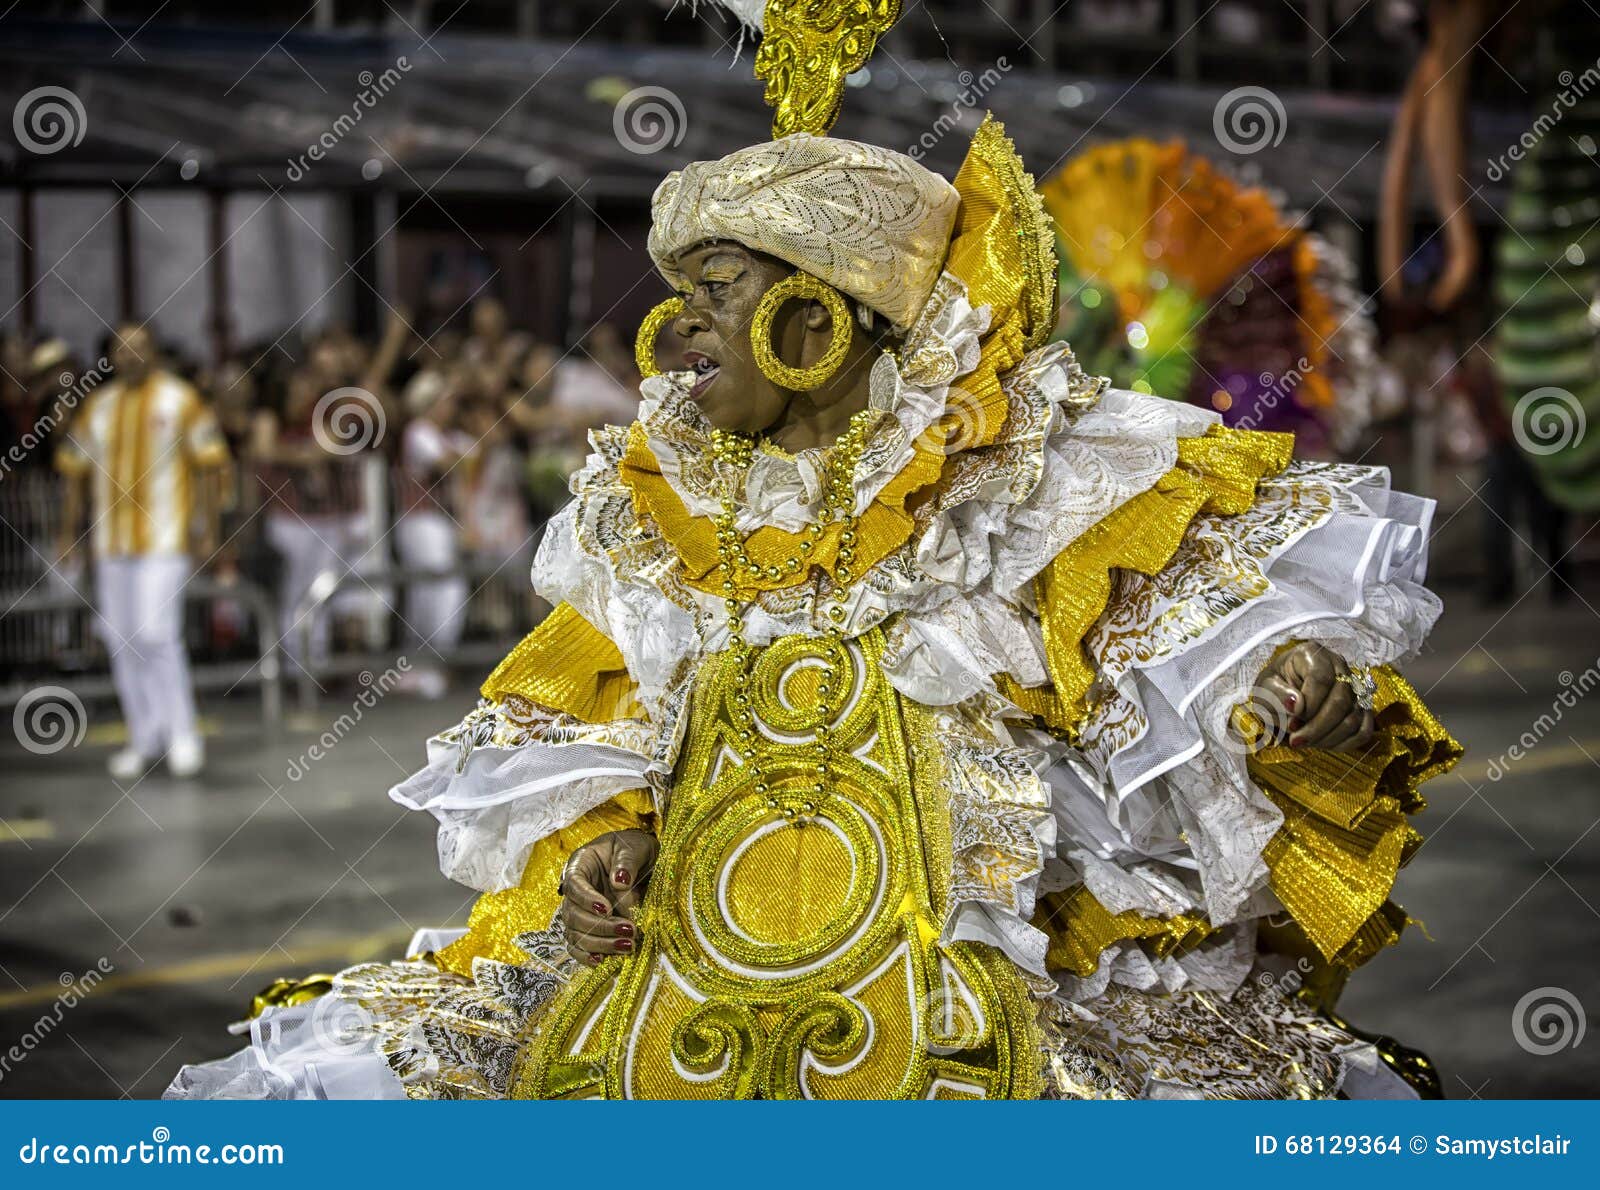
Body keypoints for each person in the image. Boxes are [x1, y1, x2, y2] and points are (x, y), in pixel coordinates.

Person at [168, 6, 1458, 1101]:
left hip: (972, 1000)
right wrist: (608, 848)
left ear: (820, 313)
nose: (678, 329)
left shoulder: (1035, 469)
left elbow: (1206, 645)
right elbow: (595, 719)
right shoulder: (653, 499)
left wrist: (1293, 689)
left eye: (720, 288)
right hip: (682, 985)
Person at [56, 323, 230, 780]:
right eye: (122, 349)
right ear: (111, 356)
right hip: (111, 541)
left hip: (164, 541)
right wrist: (67, 533)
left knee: (156, 634)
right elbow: (74, 470)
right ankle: (144, 734)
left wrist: (207, 530)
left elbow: (211, 466)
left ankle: (183, 734)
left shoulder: (181, 400)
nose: (132, 356)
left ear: (154, 352)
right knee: (120, 639)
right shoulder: (98, 406)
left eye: (140, 348)